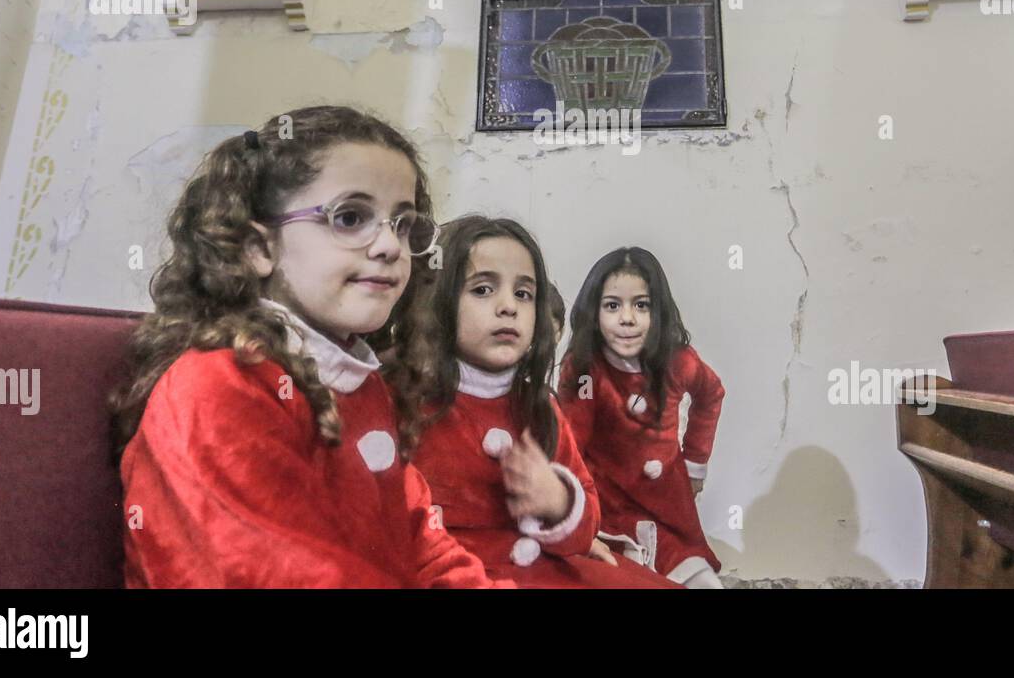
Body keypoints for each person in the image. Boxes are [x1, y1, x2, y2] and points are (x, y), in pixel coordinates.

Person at [111, 105, 507, 588]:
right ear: (259, 248)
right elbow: (266, 571)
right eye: (351, 217)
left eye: (403, 225)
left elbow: (424, 544)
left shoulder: (362, 387)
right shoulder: (220, 383)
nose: (389, 247)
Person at [388, 215, 680, 588]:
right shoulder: (403, 400)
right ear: (439, 300)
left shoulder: (539, 408)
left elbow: (586, 513)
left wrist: (559, 502)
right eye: (482, 289)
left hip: (542, 569)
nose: (508, 306)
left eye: (523, 293)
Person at [557, 247, 726, 588]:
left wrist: (695, 463)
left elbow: (711, 394)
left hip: (667, 506)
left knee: (701, 581)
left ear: (658, 309)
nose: (628, 318)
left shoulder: (677, 361)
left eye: (641, 305)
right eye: (612, 305)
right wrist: (574, 510)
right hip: (608, 505)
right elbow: (572, 441)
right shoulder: (587, 369)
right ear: (594, 311)